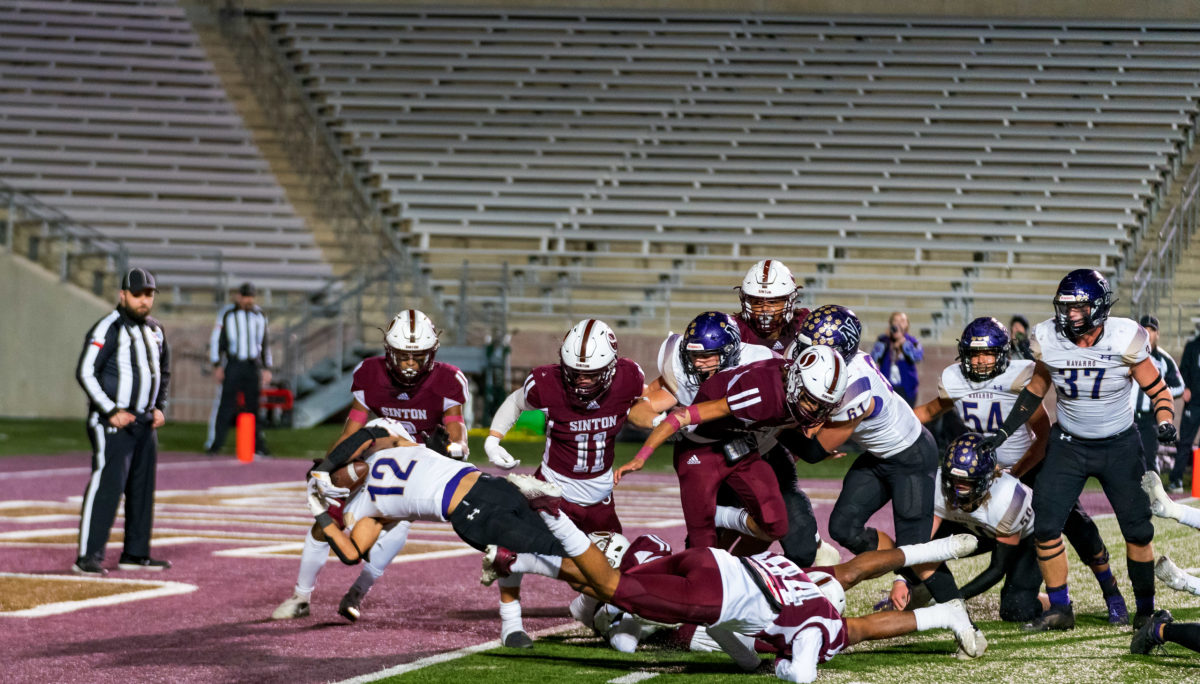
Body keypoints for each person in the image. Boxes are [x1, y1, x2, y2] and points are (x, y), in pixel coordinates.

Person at [490, 478, 985, 682]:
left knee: (612, 583)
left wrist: (751, 660)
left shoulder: (809, 588)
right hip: (715, 596)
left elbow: (848, 586)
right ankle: (551, 513)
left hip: (713, 563)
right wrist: (776, 668)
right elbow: (804, 670)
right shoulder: (819, 629)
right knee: (613, 588)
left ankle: (523, 559)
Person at [979, 269, 1178, 631]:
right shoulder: (1048, 339)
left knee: (1138, 531)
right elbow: (1036, 390)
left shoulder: (1124, 337)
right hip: (1069, 443)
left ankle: (1145, 610)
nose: (1068, 316)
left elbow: (1159, 390)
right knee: (1047, 524)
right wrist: (1005, 431)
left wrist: (1165, 421)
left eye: (1078, 308)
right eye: (1064, 308)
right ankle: (1060, 608)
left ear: (1098, 307)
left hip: (1119, 444)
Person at [912, 317, 1128, 623]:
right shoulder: (956, 380)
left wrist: (1017, 469)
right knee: (935, 520)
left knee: (1075, 525)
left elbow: (1043, 434)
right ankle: (914, 585)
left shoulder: (1019, 376)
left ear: (1003, 353)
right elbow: (928, 411)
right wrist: (890, 421)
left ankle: (1111, 593)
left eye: (988, 353)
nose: (981, 360)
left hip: (1027, 465)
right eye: (974, 354)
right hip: (982, 474)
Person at [486, 526, 979, 657]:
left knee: (850, 620)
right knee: (846, 583)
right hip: (751, 584)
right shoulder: (632, 562)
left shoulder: (628, 566)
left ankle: (945, 600)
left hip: (745, 605)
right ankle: (942, 568)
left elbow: (621, 627)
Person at [272, 309, 469, 623]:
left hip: (416, 468)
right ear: (389, 352)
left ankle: (357, 592)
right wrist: (327, 467)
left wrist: (452, 448)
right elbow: (352, 432)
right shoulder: (369, 373)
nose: (409, 364)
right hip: (376, 461)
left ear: (431, 355)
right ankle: (300, 596)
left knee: (396, 526)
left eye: (418, 357)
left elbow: (457, 432)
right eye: (403, 356)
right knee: (328, 521)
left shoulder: (448, 379)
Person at [483, 318, 645, 647]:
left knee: (611, 567)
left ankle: (585, 610)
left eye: (591, 373)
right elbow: (516, 401)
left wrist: (661, 420)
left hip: (599, 495)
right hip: (551, 488)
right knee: (509, 546)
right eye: (576, 372)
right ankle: (511, 624)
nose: (582, 381)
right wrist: (493, 438)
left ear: (612, 368)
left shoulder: (630, 378)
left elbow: (647, 405)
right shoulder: (548, 382)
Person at [627, 312, 827, 566]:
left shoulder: (762, 364)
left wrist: (814, 434)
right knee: (702, 551)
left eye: (707, 356)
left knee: (793, 540)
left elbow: (802, 403)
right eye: (694, 356)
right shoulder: (685, 370)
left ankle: (758, 565)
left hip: (759, 450)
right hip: (709, 452)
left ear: (730, 351)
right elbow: (639, 409)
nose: (698, 364)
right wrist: (661, 423)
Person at [72, 267, 171, 576]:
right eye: (138, 294)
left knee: (142, 489)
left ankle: (135, 553)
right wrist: (109, 410)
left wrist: (159, 407)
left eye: (149, 295)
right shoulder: (108, 327)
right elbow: (86, 372)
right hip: (114, 422)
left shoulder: (155, 330)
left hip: (144, 422)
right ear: (123, 295)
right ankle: (88, 556)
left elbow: (163, 372)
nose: (144, 301)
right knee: (107, 486)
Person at [206, 282, 272, 457]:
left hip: (252, 365)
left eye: (251, 296)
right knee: (226, 405)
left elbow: (264, 342)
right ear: (238, 296)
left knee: (254, 407)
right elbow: (217, 340)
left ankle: (258, 445)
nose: (248, 300)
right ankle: (216, 444)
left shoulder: (259, 315)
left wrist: (266, 367)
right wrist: (217, 364)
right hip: (234, 363)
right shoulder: (227, 314)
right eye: (245, 296)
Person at [1132, 315, 1184, 473]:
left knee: (1148, 459)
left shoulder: (1164, 360)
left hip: (1149, 418)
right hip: (1128, 416)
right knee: (1126, 459)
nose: (1148, 334)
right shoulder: (1128, 354)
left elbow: (1180, 387)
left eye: (1152, 330)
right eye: (1145, 330)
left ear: (1157, 334)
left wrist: (1161, 393)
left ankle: (1154, 496)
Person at [732, 259, 810, 354]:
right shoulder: (733, 330)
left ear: (790, 301)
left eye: (773, 302)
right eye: (757, 302)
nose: (765, 309)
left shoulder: (806, 324)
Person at [870, 311, 923, 407]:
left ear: (907, 324)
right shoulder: (883, 340)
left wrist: (903, 342)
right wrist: (886, 341)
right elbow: (874, 358)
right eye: (895, 320)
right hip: (887, 386)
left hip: (906, 388)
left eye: (902, 321)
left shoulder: (912, 341)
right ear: (891, 324)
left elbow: (917, 357)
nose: (898, 324)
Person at [1172, 326, 1200, 491]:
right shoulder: (1192, 346)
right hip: (1194, 402)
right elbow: (1182, 370)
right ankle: (1176, 480)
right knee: (1185, 442)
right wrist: (1186, 388)